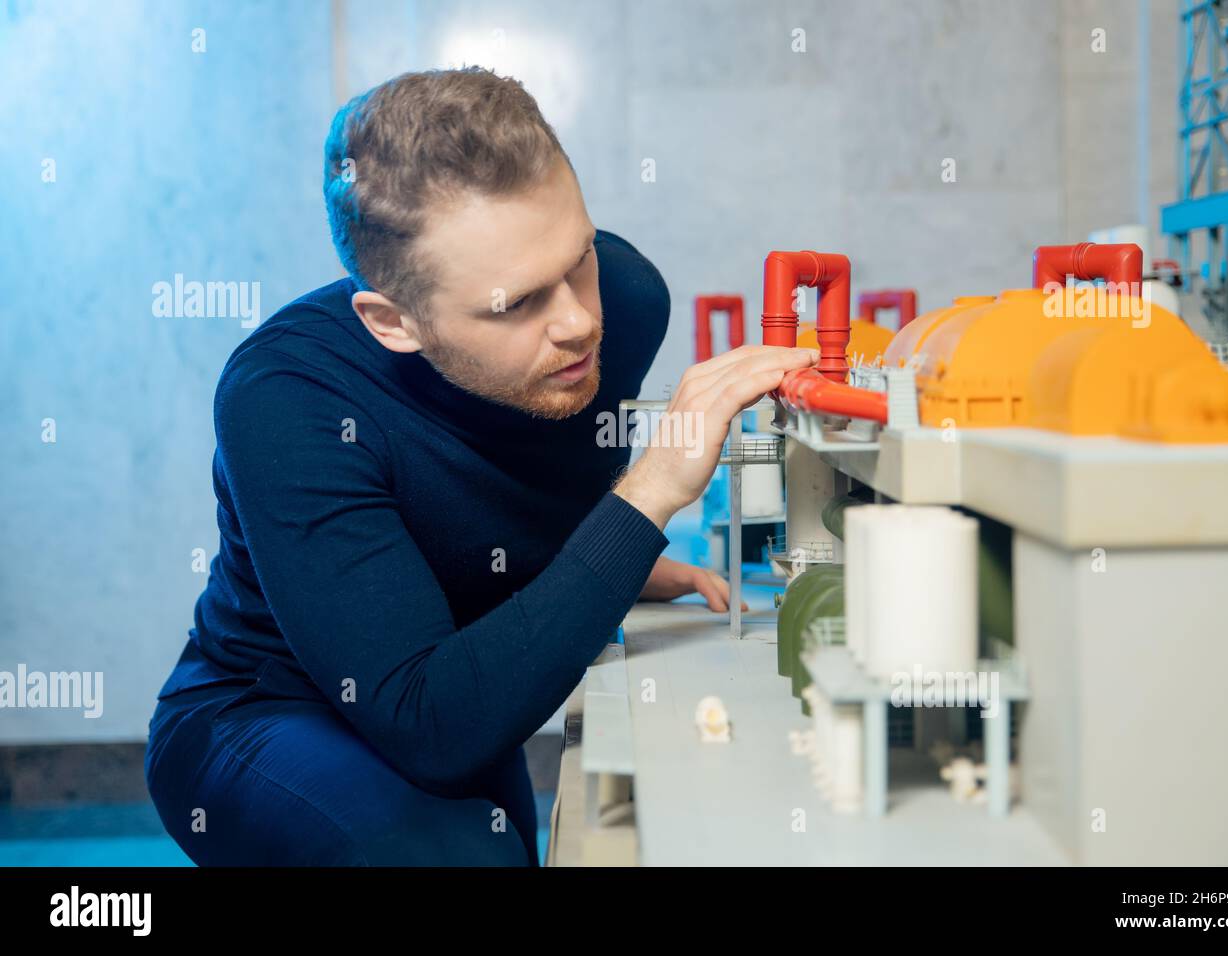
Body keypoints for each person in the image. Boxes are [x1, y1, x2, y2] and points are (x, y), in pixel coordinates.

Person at [144, 67, 818, 866]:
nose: (577, 323)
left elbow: (528, 484)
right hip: (266, 712)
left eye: (578, 260)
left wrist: (606, 552)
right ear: (393, 322)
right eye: (515, 304)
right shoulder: (286, 399)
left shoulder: (627, 302)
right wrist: (645, 500)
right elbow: (432, 726)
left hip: (454, 671)